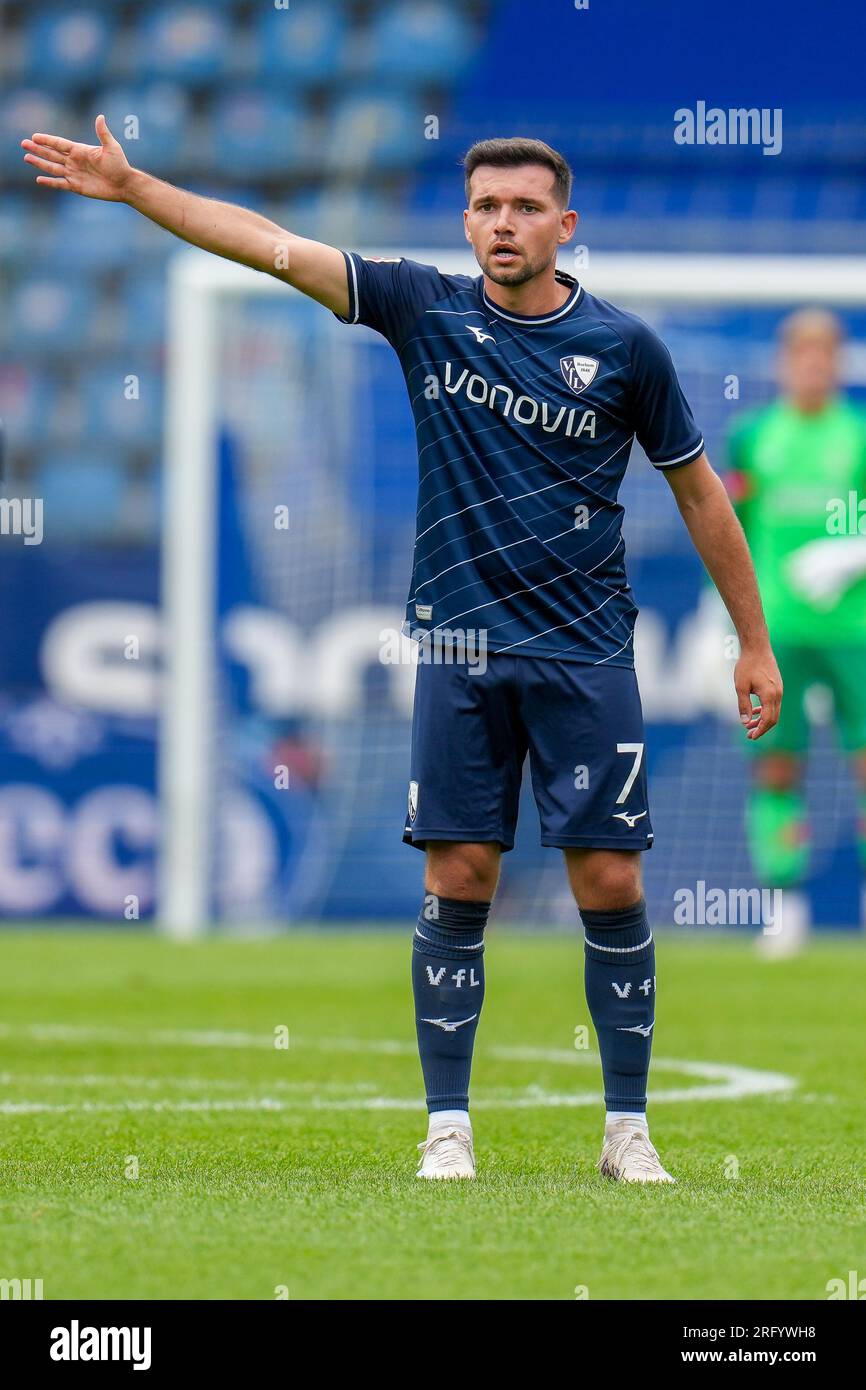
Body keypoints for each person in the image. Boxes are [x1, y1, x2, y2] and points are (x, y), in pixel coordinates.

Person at [23, 123, 782, 1182]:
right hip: (461, 647)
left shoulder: (624, 351)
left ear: (563, 226)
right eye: (484, 206)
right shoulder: (421, 308)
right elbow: (264, 244)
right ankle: (446, 1127)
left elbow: (698, 492)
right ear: (464, 218)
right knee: (459, 872)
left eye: (523, 208)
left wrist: (751, 639)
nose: (501, 223)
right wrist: (137, 184)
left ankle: (625, 1129)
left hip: (588, 652)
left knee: (608, 878)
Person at [727, 309, 866, 954]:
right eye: (802, 357)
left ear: (838, 364)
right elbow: (729, 530)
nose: (813, 367)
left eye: (825, 357)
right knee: (777, 767)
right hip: (774, 630)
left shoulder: (859, 437)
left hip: (854, 630)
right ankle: (785, 907)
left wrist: (851, 553)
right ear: (786, 364)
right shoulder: (754, 437)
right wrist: (716, 619)